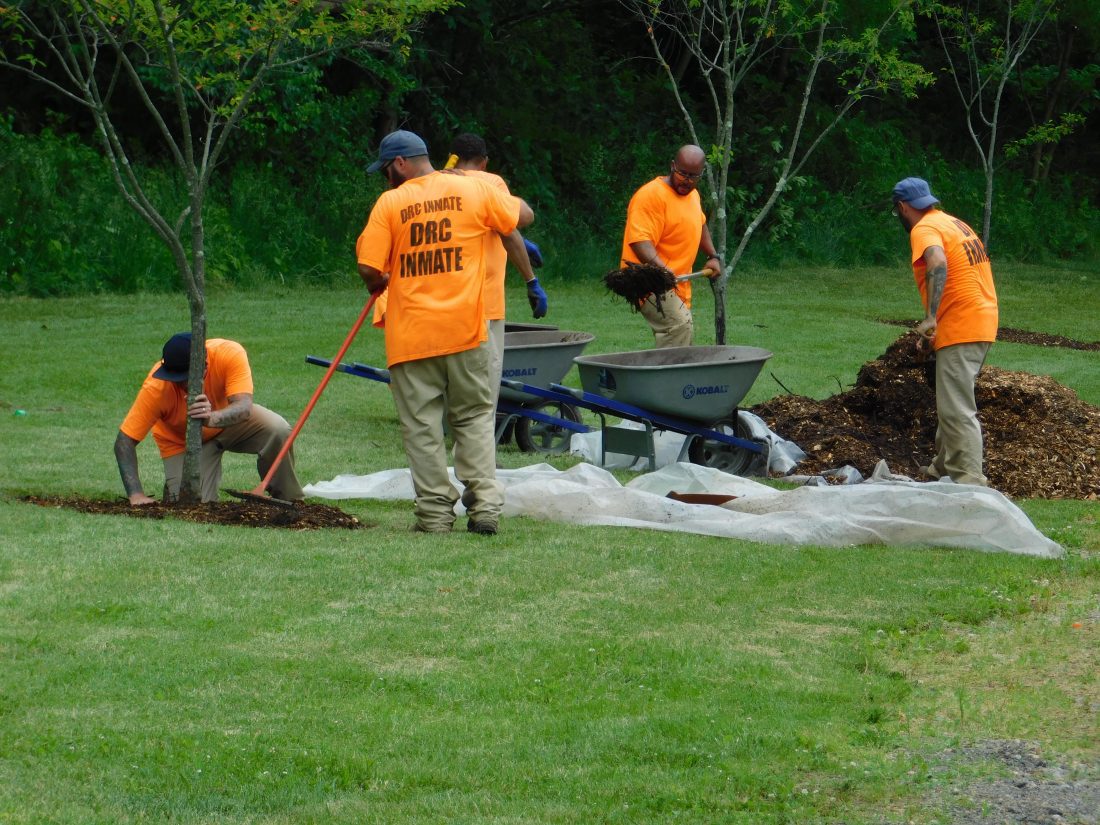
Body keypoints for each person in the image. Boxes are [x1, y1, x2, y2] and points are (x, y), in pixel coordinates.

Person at [356, 129, 535, 535]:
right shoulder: (472, 190)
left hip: (412, 336)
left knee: (421, 427)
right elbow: (522, 217)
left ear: (401, 164)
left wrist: (376, 282)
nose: (386, 177)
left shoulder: (391, 202)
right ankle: (485, 505)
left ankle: (435, 515)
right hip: (468, 331)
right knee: (472, 417)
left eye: (387, 169)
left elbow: (369, 265)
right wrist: (499, 201)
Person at [892, 176, 998, 486]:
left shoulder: (924, 229)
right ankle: (941, 469)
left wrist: (930, 318)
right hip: (980, 319)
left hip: (963, 324)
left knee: (957, 409)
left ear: (901, 207)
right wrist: (935, 333)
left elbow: (938, 262)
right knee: (949, 401)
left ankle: (969, 482)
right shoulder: (952, 222)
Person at [115, 333, 304, 504]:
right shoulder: (157, 387)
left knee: (277, 429)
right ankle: (174, 485)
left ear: (204, 367)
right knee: (194, 507)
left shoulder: (228, 353)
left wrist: (211, 418)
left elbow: (244, 407)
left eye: (183, 377)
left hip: (229, 424)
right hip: (181, 443)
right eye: (174, 377)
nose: (178, 383)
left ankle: (289, 499)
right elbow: (124, 441)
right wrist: (136, 494)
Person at [446, 131, 546, 401]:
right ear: (484, 162)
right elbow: (523, 216)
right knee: (484, 386)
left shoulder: (435, 183)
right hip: (483, 301)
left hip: (441, 299)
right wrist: (531, 282)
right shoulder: (489, 182)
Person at [620, 144, 722, 348]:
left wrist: (712, 255)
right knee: (679, 327)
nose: (687, 180)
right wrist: (663, 270)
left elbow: (699, 224)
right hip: (647, 280)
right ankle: (667, 379)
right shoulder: (650, 195)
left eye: (693, 176)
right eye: (683, 173)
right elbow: (640, 241)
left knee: (681, 334)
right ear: (672, 166)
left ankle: (672, 376)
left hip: (675, 283)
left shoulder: (692, 195)